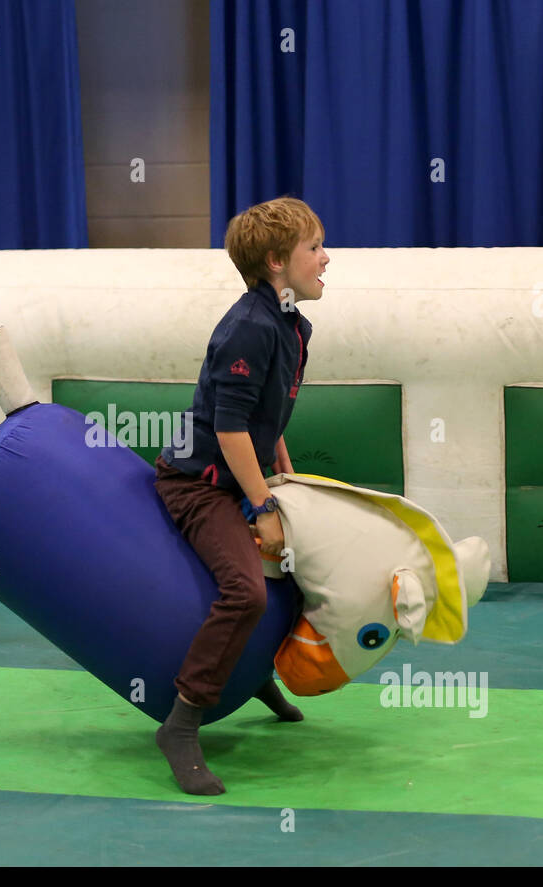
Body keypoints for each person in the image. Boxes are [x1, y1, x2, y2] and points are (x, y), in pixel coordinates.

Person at [152, 197, 329, 795]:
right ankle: (181, 724)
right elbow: (228, 429)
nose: (326, 259)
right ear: (277, 262)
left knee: (303, 567)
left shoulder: (290, 324)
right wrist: (263, 507)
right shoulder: (248, 327)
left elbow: (264, 418)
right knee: (246, 591)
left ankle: (253, 674)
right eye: (314, 249)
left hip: (243, 473)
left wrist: (286, 478)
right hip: (199, 486)